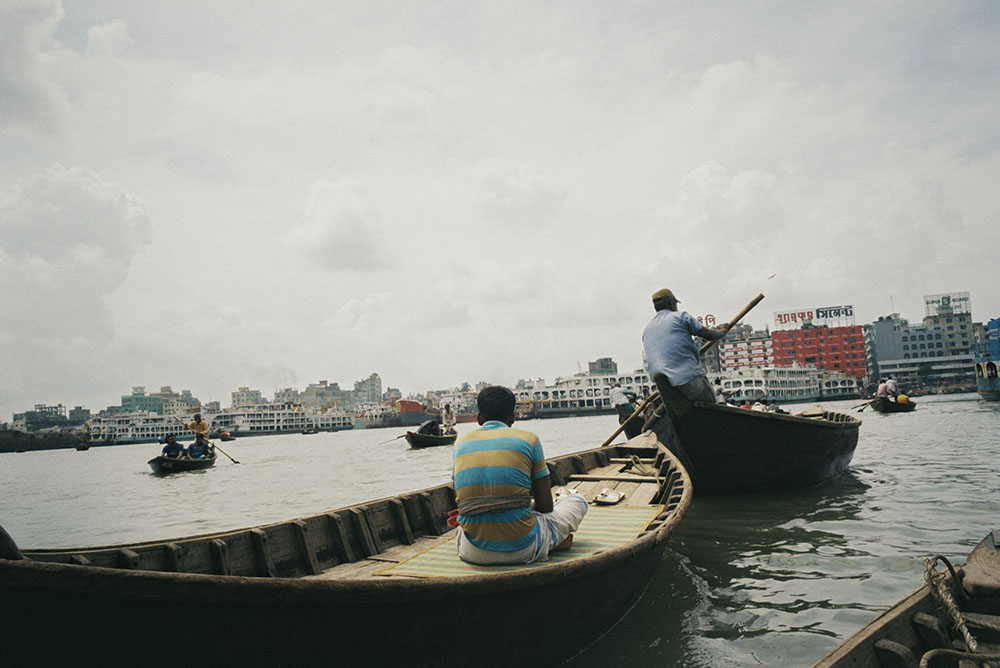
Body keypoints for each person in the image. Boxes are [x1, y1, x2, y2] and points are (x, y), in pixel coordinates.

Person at [452, 386, 588, 565]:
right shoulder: (529, 440)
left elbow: (464, 499)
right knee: (577, 501)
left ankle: (552, 541)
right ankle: (551, 542)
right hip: (524, 549)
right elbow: (546, 507)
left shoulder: (459, 444)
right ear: (512, 416)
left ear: (479, 418)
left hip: (472, 552)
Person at [642, 288, 731, 403]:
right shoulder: (681, 317)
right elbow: (710, 335)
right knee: (713, 406)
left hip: (664, 387)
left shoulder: (647, 329)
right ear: (672, 303)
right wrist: (724, 330)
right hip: (686, 378)